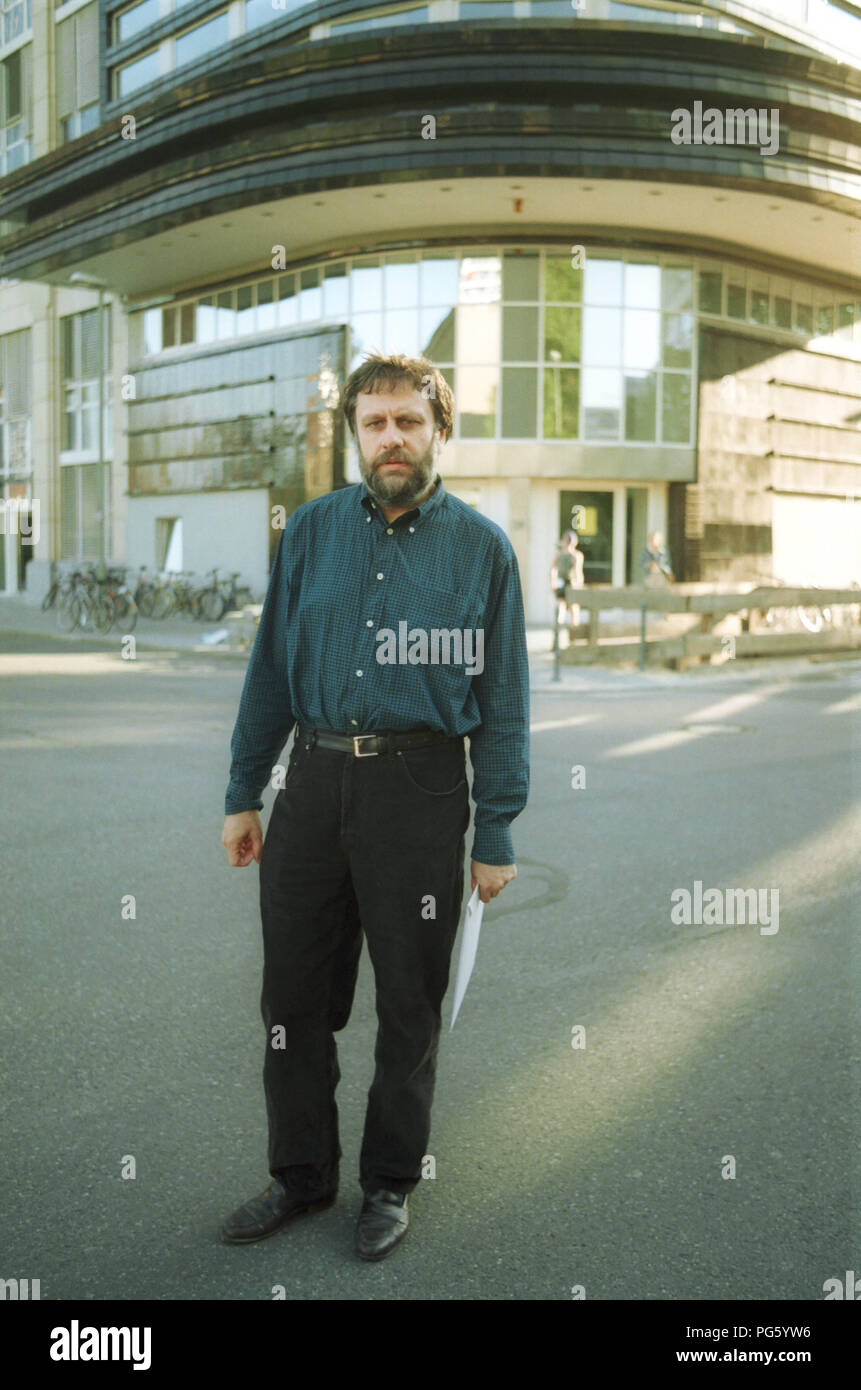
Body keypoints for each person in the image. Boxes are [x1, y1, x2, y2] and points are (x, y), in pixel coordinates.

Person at [219, 352, 530, 1262]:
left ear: (439, 430)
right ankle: (300, 1177)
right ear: (354, 432)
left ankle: (390, 1182)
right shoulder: (312, 532)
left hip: (420, 793)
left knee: (410, 1000)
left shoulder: (481, 551)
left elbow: (503, 705)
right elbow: (269, 673)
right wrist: (244, 791)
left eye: (407, 422)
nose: (390, 438)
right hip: (311, 786)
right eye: (373, 423)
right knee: (293, 996)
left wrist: (496, 828)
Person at [550, 530, 584, 634]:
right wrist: (579, 585)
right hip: (569, 583)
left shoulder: (562, 554)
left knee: (565, 608)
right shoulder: (575, 555)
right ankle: (571, 633)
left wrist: (553, 582)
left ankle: (560, 633)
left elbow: (552, 570)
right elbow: (578, 572)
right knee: (571, 609)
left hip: (566, 583)